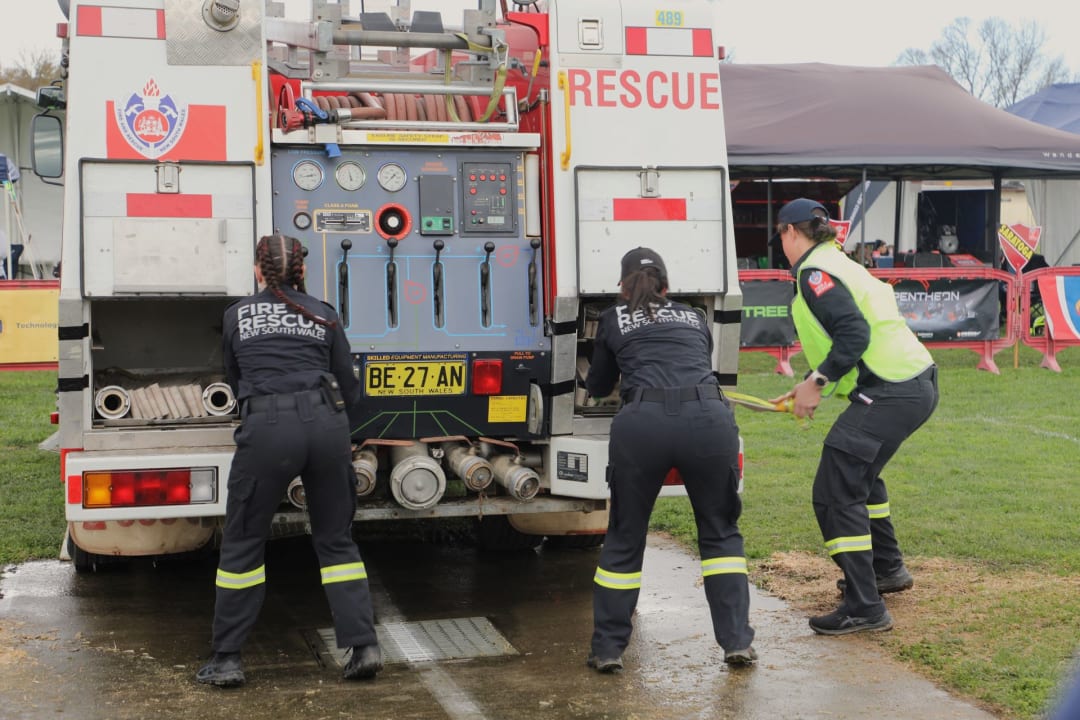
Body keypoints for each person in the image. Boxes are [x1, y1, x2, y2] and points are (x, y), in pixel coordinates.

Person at [197, 234, 382, 687]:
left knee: (244, 541)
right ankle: (363, 647)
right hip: (326, 425)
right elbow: (349, 384)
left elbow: (234, 377)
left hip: (268, 428)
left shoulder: (236, 315)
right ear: (302, 270)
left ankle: (226, 660)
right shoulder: (324, 313)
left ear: (258, 271)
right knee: (336, 541)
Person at [770, 199, 938, 636]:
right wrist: (811, 381)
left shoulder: (815, 272)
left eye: (780, 235)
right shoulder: (834, 261)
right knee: (860, 477)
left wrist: (817, 382)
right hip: (911, 382)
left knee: (834, 490)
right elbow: (852, 332)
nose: (780, 243)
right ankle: (885, 570)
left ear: (790, 232)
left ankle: (865, 605)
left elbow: (854, 333)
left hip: (892, 389)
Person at [584, 247, 756, 673]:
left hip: (642, 425)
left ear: (622, 287)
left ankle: (608, 650)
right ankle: (736, 641)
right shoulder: (694, 317)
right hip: (708, 421)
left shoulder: (612, 318)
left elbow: (600, 384)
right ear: (668, 286)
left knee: (625, 537)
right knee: (720, 535)